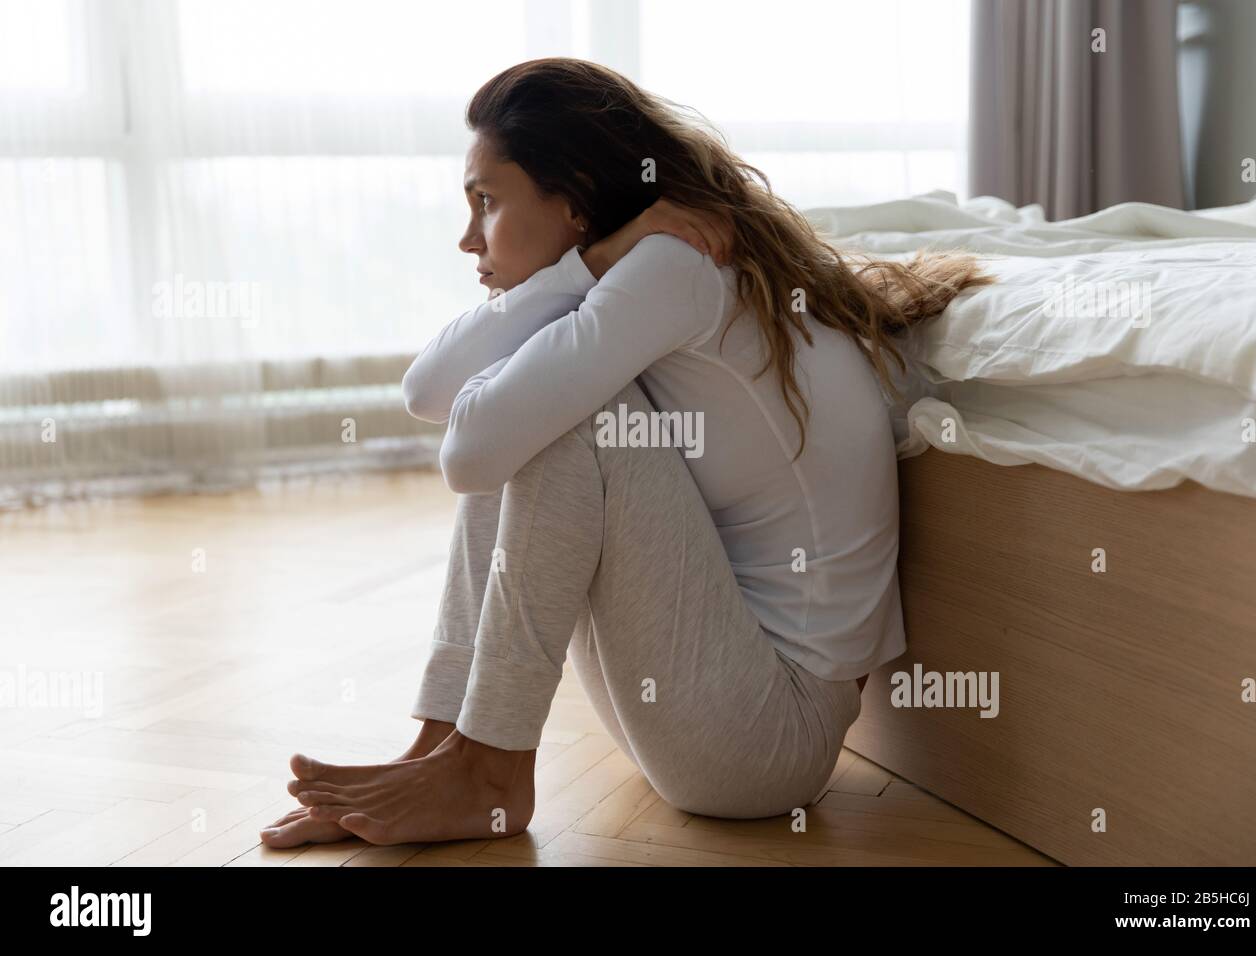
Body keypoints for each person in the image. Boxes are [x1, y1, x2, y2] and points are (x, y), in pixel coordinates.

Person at [260, 57, 989, 849]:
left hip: (767, 739)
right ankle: (445, 748)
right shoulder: (638, 264)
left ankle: (489, 771)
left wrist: (589, 268)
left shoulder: (677, 266)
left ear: (572, 197)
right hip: (711, 701)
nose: (469, 236)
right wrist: (585, 264)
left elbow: (467, 453)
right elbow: (428, 390)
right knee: (537, 399)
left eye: (487, 202)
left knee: (565, 416)